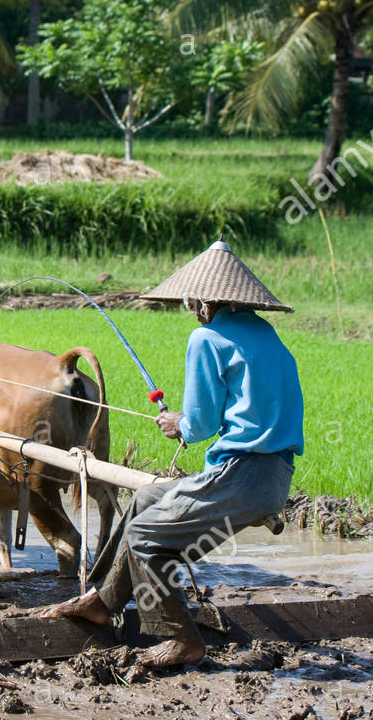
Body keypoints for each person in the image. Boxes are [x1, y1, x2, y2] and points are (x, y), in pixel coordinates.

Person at [42, 240, 304, 671]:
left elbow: (199, 427)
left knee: (147, 537)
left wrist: (177, 424)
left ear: (203, 299)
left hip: (240, 475)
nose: (189, 308)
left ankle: (182, 638)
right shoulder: (264, 333)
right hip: (274, 475)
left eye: (190, 300)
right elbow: (247, 408)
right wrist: (190, 419)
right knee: (145, 500)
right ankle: (102, 600)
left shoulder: (206, 337)